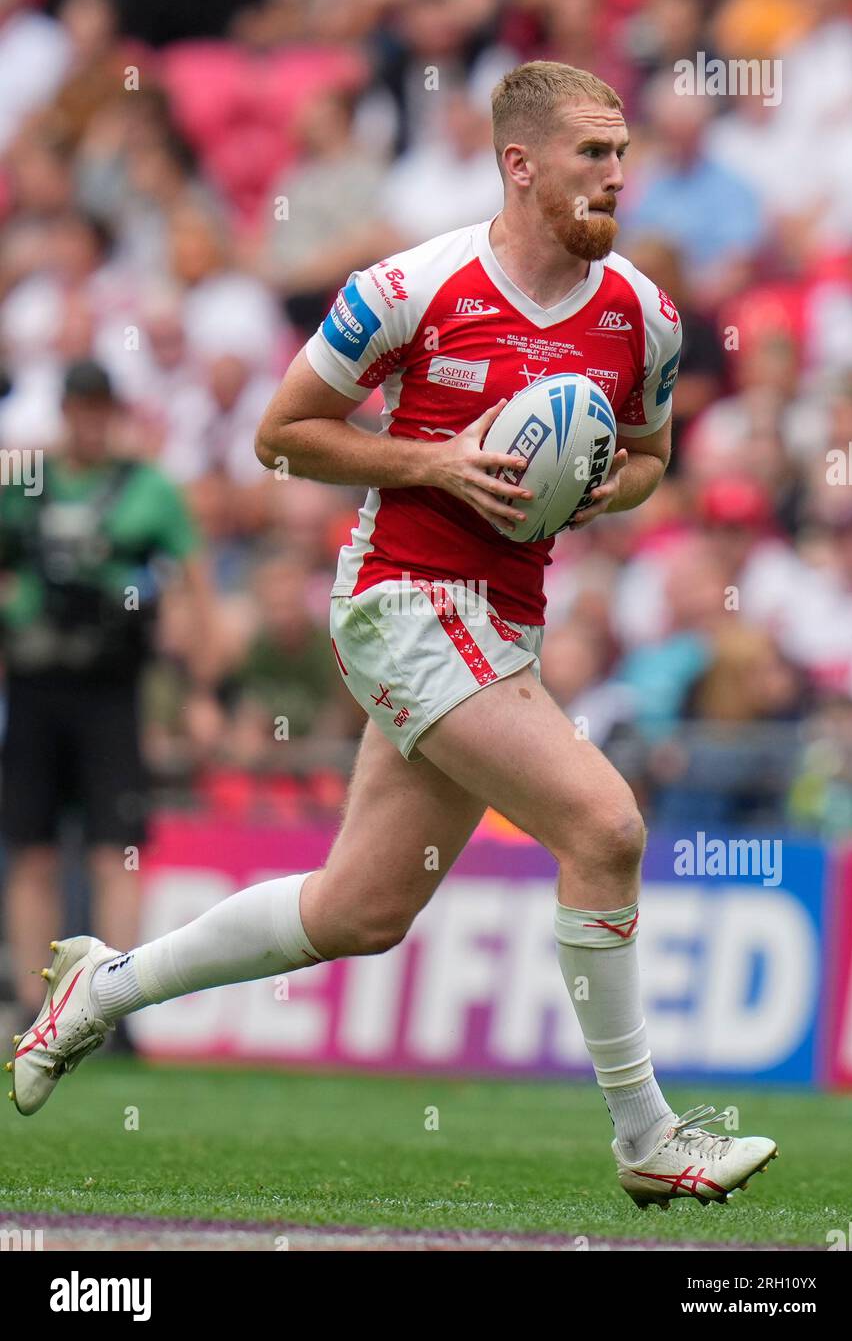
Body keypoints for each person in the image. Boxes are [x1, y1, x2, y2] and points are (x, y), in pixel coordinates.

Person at [8, 64, 777, 1210]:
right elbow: (282, 435)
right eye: (590, 154)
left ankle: (101, 988)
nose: (615, 174)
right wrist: (431, 459)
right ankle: (646, 1136)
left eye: (620, 153)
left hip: (504, 620)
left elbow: (651, 456)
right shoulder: (412, 286)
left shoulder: (642, 316)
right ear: (519, 164)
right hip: (403, 598)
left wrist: (600, 486)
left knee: (359, 910)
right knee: (605, 824)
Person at [0, 359, 219, 1029]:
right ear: (65, 412)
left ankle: (108, 1005)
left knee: (114, 848)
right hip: (35, 683)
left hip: (111, 689)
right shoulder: (24, 482)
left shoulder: (146, 488)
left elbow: (191, 581)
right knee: (30, 848)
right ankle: (32, 1004)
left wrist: (199, 689)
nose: (89, 422)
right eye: (79, 409)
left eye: (100, 410)